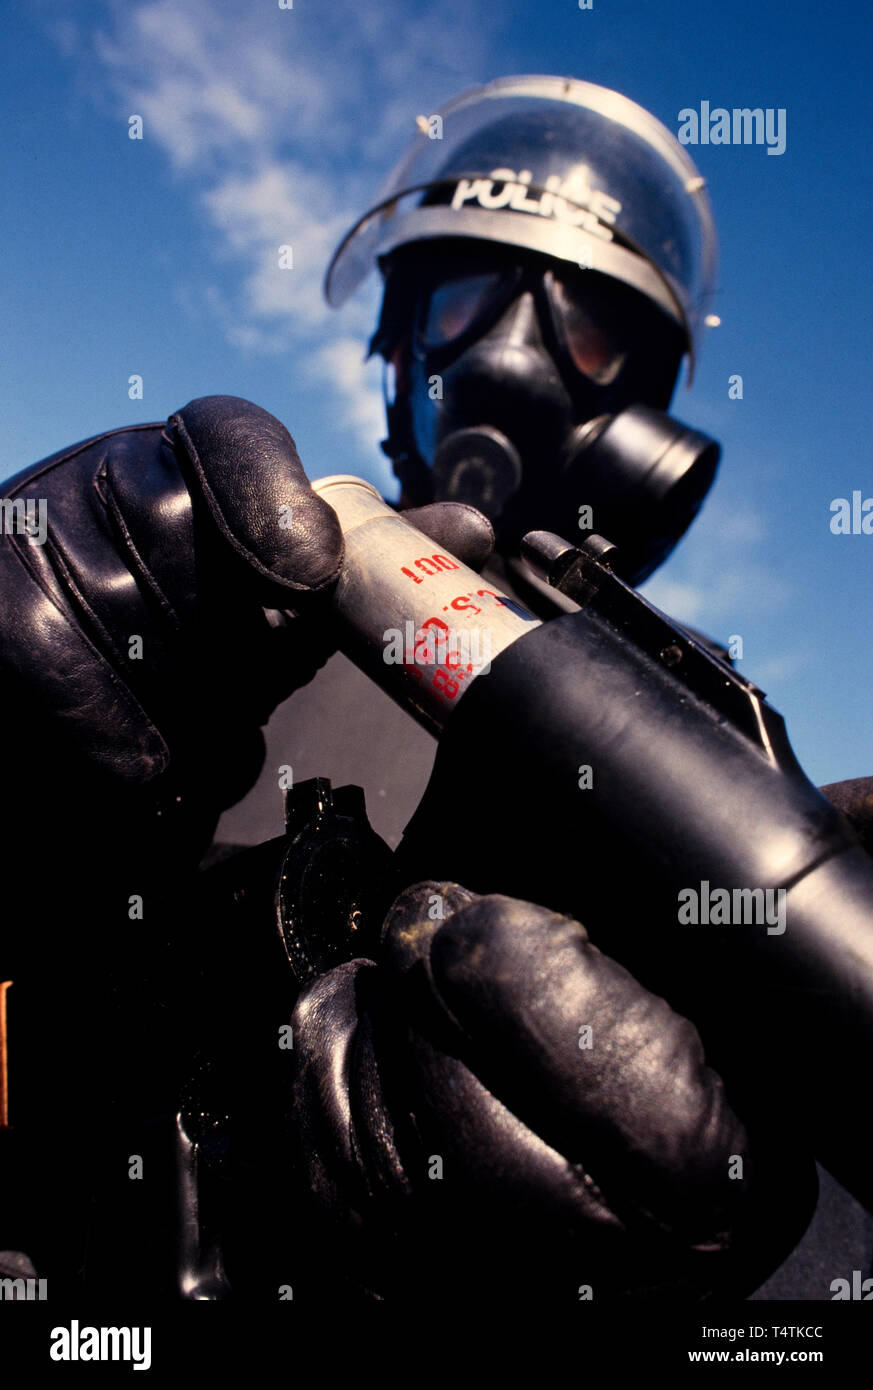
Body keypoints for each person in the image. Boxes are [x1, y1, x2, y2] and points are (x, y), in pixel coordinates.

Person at [0, 76, 865, 1304]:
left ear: (653, 412)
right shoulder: (219, 631)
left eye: (588, 330)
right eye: (466, 299)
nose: (511, 357)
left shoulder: (736, 764)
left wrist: (783, 1249)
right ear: (399, 346)